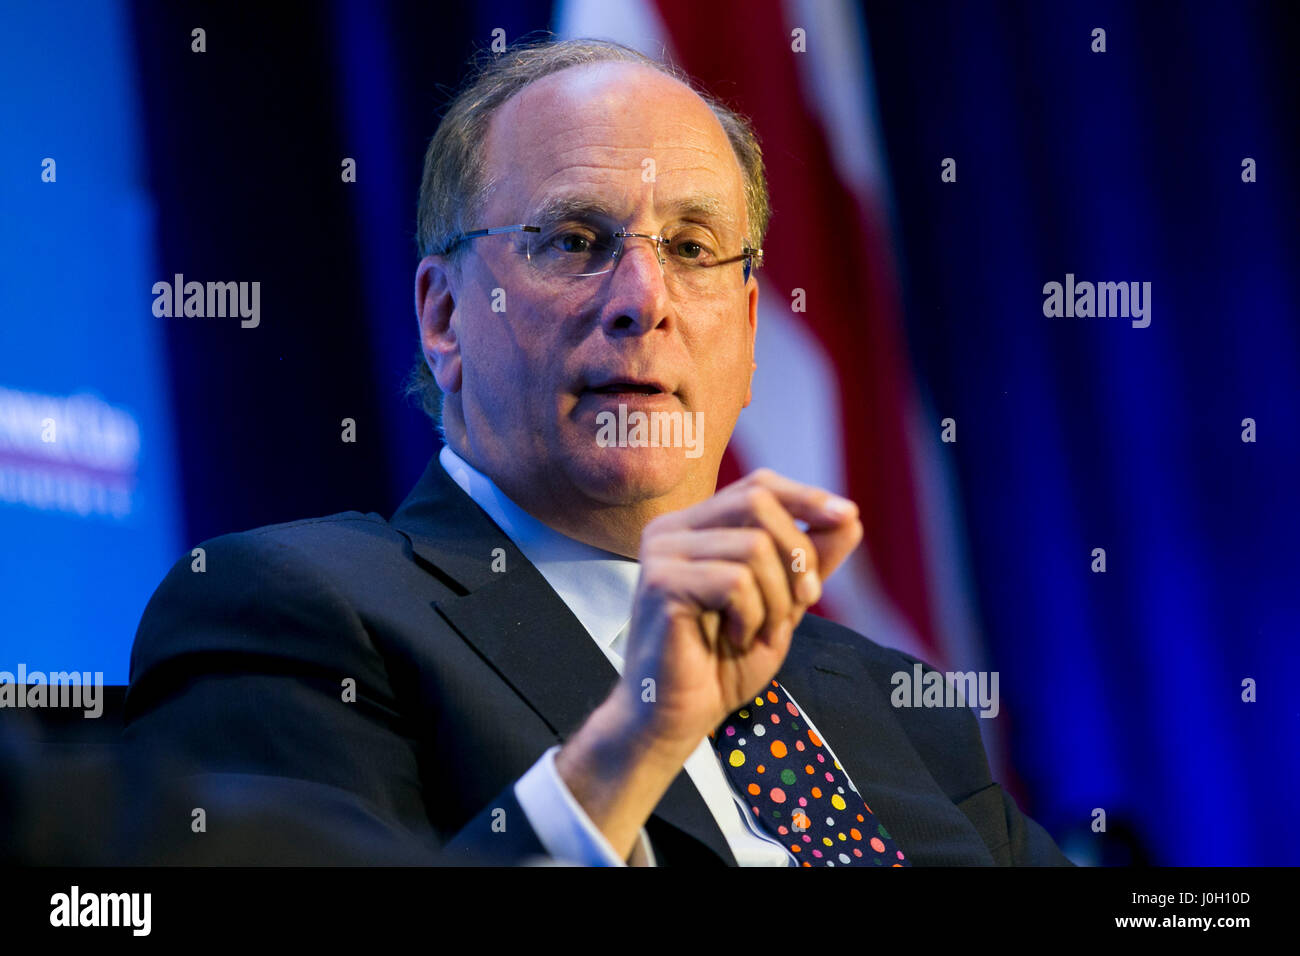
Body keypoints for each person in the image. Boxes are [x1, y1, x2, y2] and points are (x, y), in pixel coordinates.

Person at [123, 38, 1071, 867]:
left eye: (695, 249)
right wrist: (632, 741)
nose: (643, 299)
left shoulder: (887, 694)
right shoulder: (292, 613)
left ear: (747, 335)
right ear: (445, 318)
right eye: (575, 240)